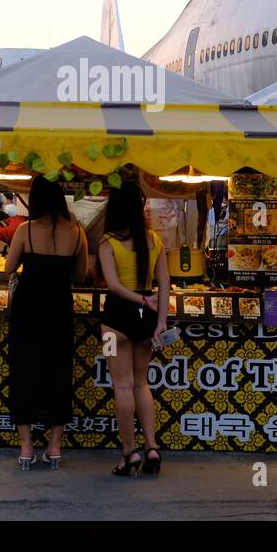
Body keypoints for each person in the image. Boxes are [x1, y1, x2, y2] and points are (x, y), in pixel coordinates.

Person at [3, 175, 87, 470]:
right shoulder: (77, 231)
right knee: (58, 373)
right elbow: (81, 272)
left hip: (28, 309)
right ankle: (55, 445)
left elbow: (10, 267)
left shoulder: (25, 230)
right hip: (59, 308)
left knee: (24, 372)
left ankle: (26, 447)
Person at [98, 181, 171, 477]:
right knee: (141, 383)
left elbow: (113, 286)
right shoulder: (153, 240)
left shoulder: (107, 242)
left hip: (115, 321)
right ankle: (151, 446)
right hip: (145, 319)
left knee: (122, 385)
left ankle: (128, 453)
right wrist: (161, 320)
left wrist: (140, 299)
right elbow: (165, 283)